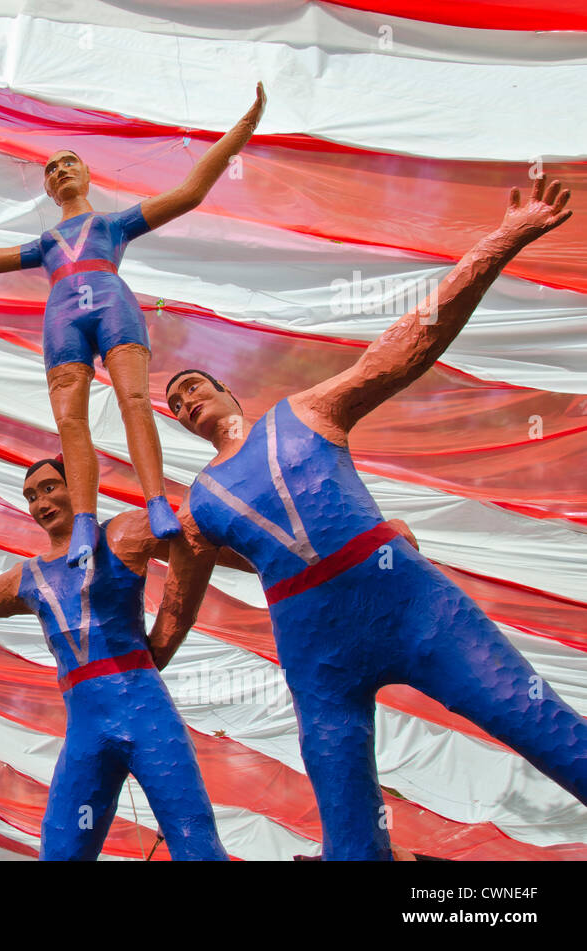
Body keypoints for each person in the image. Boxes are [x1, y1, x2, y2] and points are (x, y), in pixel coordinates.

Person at [153, 178, 586, 860]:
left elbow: (415, 338)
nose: (184, 399)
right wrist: (130, 660)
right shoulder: (197, 507)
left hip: (407, 600)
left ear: (225, 389)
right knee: (350, 836)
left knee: (540, 721)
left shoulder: (306, 411)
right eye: (174, 402)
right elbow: (177, 613)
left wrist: (503, 237)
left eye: (192, 385)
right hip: (315, 652)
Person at [0, 84, 266, 567]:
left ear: (87, 175)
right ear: (47, 187)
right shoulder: (46, 242)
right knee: (70, 422)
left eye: (69, 163)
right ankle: (85, 521)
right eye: (51, 168)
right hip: (61, 319)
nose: (60, 170)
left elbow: (190, 192)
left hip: (113, 304)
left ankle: (155, 501)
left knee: (133, 400)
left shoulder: (112, 225)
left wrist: (244, 128)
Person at [0, 457, 234, 860]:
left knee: (192, 835)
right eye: (31, 497)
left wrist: (274, 558)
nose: (40, 503)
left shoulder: (122, 534)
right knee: (62, 844)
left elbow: (194, 535)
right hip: (87, 732)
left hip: (147, 715)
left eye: (50, 488)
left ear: (80, 487)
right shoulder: (30, 577)